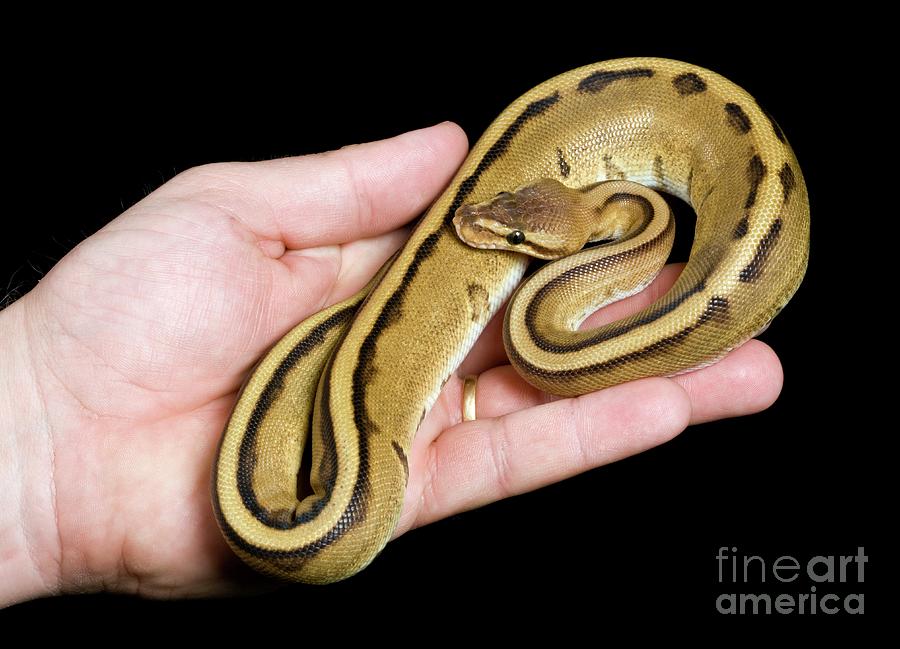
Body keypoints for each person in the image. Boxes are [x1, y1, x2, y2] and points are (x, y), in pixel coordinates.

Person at [0, 123, 782, 606]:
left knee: (530, 338)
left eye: (511, 238)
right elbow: (500, 220)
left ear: (575, 238)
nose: (486, 227)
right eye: (509, 220)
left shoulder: (570, 273)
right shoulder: (566, 219)